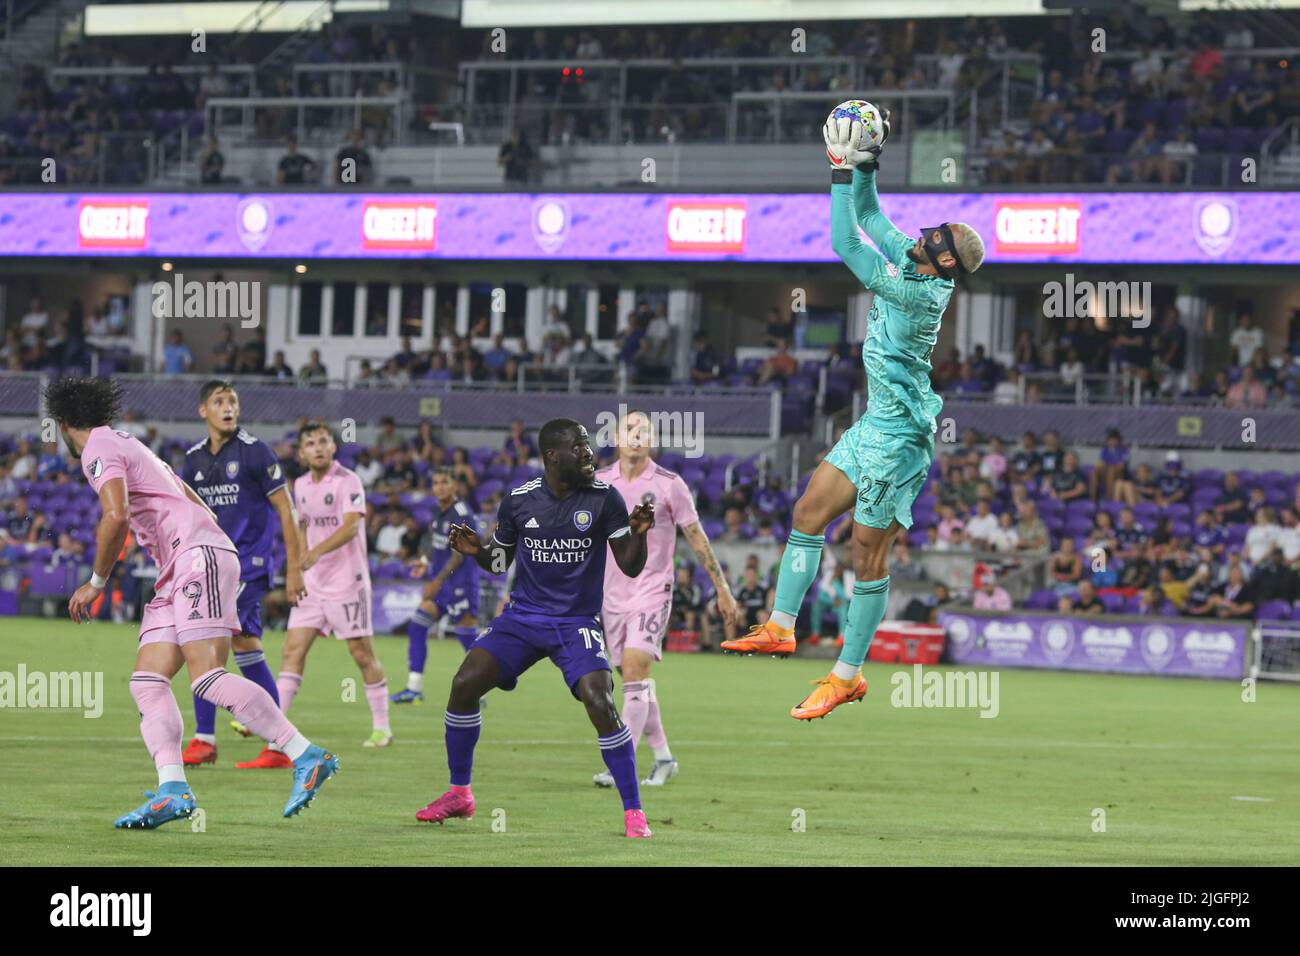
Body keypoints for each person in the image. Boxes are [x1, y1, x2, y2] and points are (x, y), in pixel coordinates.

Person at [720, 109, 986, 723]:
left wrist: (840, 169)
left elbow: (844, 242)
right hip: (871, 427)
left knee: (867, 555)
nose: (918, 237)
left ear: (943, 263)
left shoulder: (920, 289)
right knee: (807, 513)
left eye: (931, 240)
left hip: (899, 443)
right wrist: (866, 164)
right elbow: (867, 218)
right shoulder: (914, 259)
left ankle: (847, 675)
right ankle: (781, 628)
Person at [47, 377, 337, 827]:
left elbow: (116, 515)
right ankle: (172, 789)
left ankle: (305, 754)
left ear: (64, 424)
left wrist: (97, 581)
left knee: (207, 679)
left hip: (194, 558)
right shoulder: (128, 443)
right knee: (147, 681)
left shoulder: (96, 450)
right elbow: (191, 496)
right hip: (182, 562)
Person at [415, 419, 656, 839]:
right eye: (578, 447)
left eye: (587, 445)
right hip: (523, 619)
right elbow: (499, 562)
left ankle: (634, 811)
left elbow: (630, 565)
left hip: (576, 622)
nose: (588, 453)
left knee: (599, 699)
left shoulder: (605, 499)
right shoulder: (519, 501)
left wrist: (638, 533)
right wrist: (477, 551)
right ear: (552, 457)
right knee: (463, 683)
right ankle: (459, 793)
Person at [591, 410, 738, 789]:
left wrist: (721, 586)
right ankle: (664, 757)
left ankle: (620, 762)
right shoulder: (600, 484)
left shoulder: (670, 485)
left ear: (652, 441)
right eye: (629, 430)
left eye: (643, 431)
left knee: (635, 668)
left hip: (653, 591)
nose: (636, 436)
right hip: (611, 595)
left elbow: (696, 536)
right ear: (617, 439)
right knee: (631, 678)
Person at [179, 381, 306, 769]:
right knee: (247, 648)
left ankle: (204, 738)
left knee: (205, 643)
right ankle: (280, 743)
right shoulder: (193, 459)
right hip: (209, 566)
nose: (228, 407)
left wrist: (294, 569)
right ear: (204, 410)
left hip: (248, 565)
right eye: (219, 401)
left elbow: (287, 510)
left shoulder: (255, 452)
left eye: (232, 401)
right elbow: (189, 515)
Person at [279, 422, 392, 748]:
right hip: (312, 584)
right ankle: (276, 730)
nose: (317, 447)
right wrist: (298, 565)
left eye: (323, 441)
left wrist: (314, 552)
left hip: (347, 583)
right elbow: (301, 526)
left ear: (333, 448)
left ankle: (382, 727)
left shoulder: (348, 480)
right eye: (310, 443)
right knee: (292, 650)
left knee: (361, 653)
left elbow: (351, 526)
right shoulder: (299, 485)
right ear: (301, 453)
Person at [392, 468, 484, 703]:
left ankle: (479, 688)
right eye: (435, 482)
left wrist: (436, 581)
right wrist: (424, 562)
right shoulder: (437, 511)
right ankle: (414, 688)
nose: (439, 487)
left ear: (455, 485)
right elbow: (436, 545)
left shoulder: (462, 513)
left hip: (461, 584)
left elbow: (458, 555)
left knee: (467, 639)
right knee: (417, 627)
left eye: (445, 482)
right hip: (443, 585)